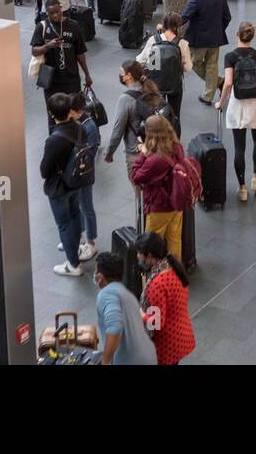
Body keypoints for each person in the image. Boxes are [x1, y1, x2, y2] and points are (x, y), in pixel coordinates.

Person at [216, 22, 256, 202]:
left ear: (236, 35)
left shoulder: (230, 56)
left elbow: (229, 82)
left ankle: (242, 188)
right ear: (252, 36)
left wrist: (220, 102)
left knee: (239, 146)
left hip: (238, 104)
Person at [42, 91, 93, 277]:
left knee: (63, 224)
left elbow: (44, 170)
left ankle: (73, 264)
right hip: (76, 181)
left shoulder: (54, 140)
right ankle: (75, 244)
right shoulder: (80, 128)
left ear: (52, 114)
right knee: (75, 214)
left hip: (59, 187)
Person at [128, 116, 189, 260]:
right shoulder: (176, 146)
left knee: (151, 247)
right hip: (176, 203)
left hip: (159, 207)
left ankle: (153, 278)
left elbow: (135, 176)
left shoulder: (155, 160)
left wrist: (143, 154)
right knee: (174, 242)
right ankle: (175, 276)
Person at [136, 231, 196, 365]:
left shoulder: (157, 284)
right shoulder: (173, 266)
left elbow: (156, 323)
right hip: (182, 334)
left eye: (140, 253)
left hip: (166, 345)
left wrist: (140, 313)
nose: (138, 256)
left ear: (150, 256)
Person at [30, 0, 90, 129]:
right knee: (53, 115)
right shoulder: (42, 27)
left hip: (71, 79)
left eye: (57, 12)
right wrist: (48, 46)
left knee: (75, 111)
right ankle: (55, 139)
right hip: (51, 81)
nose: (55, 15)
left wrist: (87, 74)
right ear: (47, 13)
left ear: (61, 8)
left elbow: (80, 53)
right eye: (51, 13)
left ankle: (76, 141)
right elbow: (34, 51)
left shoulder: (73, 26)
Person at [92, 252, 157, 365]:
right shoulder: (125, 293)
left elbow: (114, 328)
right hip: (148, 355)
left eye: (96, 271)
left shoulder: (107, 294)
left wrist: (105, 361)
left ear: (100, 277)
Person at [138, 12, 192, 132]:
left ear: (163, 24)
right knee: (174, 116)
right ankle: (174, 143)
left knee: (154, 115)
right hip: (174, 85)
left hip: (155, 86)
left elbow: (141, 61)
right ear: (177, 26)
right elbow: (188, 67)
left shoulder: (154, 40)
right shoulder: (182, 43)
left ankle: (155, 141)